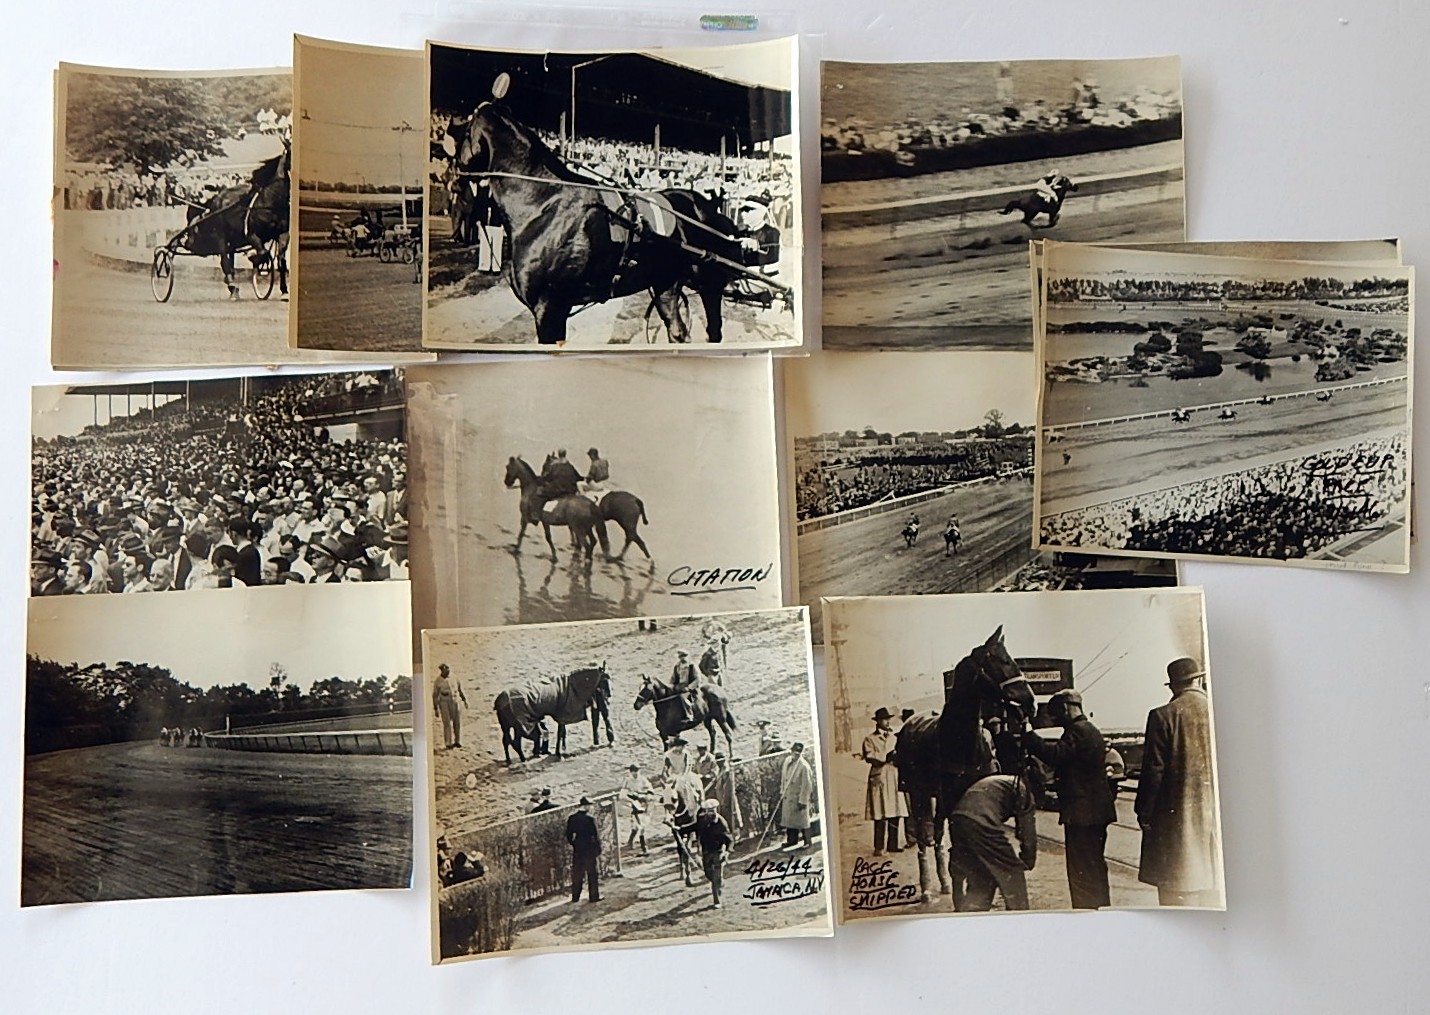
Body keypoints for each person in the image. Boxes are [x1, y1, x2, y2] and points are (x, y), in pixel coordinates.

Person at [1136, 657, 1223, 907]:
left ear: (1173, 685)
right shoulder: (1218, 711)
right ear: (1198, 680)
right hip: (1216, 819)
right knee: (1215, 893)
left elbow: (1153, 772)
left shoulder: (1163, 716)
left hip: (1176, 822)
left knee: (1178, 892)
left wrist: (1144, 813)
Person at [1024, 688, 1117, 909]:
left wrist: (1029, 735)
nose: (1054, 718)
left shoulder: (1079, 731)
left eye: (1056, 713)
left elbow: (1057, 754)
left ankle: (1086, 912)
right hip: (1094, 811)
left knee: (1081, 869)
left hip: (1083, 813)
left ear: (1066, 708)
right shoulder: (1089, 729)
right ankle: (1100, 909)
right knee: (1094, 865)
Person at [947, 773, 1038, 912]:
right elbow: (1027, 831)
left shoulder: (1004, 781)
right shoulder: (1023, 790)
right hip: (981, 822)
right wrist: (1028, 859)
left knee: (982, 878)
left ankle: (969, 916)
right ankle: (1020, 916)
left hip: (959, 818)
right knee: (1013, 873)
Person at [862, 707, 908, 855]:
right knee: (880, 813)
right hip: (880, 776)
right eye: (884, 719)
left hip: (893, 775)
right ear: (877, 722)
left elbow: (901, 753)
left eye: (888, 719)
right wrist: (884, 757)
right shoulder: (870, 739)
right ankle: (879, 847)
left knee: (895, 811)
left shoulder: (894, 738)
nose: (887, 722)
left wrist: (898, 758)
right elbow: (869, 756)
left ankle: (892, 844)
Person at [694, 799, 734, 908]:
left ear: (716, 809)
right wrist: (678, 828)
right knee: (708, 873)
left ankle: (717, 900)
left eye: (713, 810)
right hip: (706, 852)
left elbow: (730, 840)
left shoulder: (721, 823)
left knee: (716, 877)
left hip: (718, 852)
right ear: (705, 811)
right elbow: (694, 828)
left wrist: (727, 852)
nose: (711, 813)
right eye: (708, 810)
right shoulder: (701, 820)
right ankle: (720, 883)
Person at [779, 741, 816, 851]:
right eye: (794, 752)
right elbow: (783, 778)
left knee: (803, 821)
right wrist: (782, 791)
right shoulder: (787, 761)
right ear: (791, 751)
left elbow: (807, 785)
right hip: (788, 796)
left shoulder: (804, 766)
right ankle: (792, 840)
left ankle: (807, 841)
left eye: (798, 753)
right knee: (789, 820)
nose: (795, 755)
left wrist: (803, 801)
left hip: (798, 798)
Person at [565, 796, 601, 902]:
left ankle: (575, 897)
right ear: (586, 806)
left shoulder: (572, 818)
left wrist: (574, 844)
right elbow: (595, 836)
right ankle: (594, 896)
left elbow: (568, 835)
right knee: (592, 873)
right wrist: (598, 848)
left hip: (578, 848)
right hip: (589, 848)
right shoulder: (590, 819)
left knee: (577, 873)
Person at [431, 662, 467, 750]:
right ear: (441, 670)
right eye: (445, 669)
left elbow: (460, 689)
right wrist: (436, 708)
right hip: (444, 702)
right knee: (446, 722)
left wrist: (464, 700)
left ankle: (457, 741)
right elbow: (435, 695)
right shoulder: (438, 681)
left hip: (455, 700)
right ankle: (448, 742)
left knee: (457, 721)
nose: (447, 671)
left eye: (448, 669)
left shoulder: (454, 677)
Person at [621, 763, 654, 855]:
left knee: (642, 825)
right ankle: (644, 847)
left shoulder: (643, 780)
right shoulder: (628, 781)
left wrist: (644, 796)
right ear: (630, 772)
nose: (636, 773)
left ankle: (630, 842)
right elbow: (622, 795)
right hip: (634, 806)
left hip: (645, 804)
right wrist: (632, 800)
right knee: (639, 825)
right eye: (633, 771)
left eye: (637, 771)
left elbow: (651, 792)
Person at [671, 649, 700, 722]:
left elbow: (698, 679)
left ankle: (689, 715)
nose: (682, 658)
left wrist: (689, 687)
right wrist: (671, 686)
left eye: (684, 656)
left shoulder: (692, 666)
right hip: (679, 687)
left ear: (687, 656)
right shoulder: (677, 666)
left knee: (683, 698)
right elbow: (673, 678)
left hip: (690, 688)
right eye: (680, 657)